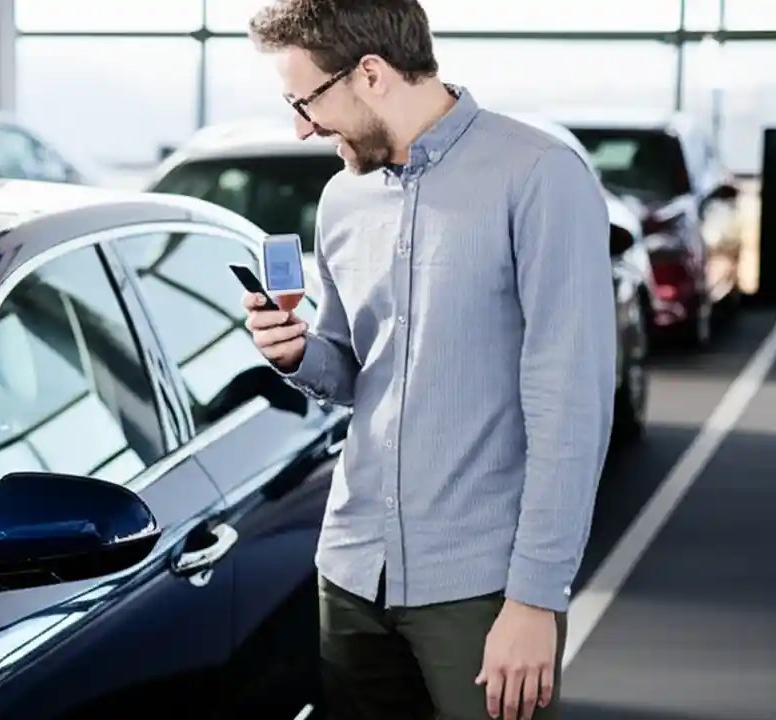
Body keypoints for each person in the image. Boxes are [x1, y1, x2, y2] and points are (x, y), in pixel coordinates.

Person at [242, 1, 616, 719]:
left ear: (372, 74)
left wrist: (536, 599)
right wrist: (297, 354)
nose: (300, 126)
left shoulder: (540, 176)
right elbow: (353, 369)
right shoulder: (342, 199)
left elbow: (572, 407)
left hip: (479, 590)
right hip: (351, 571)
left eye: (304, 101)